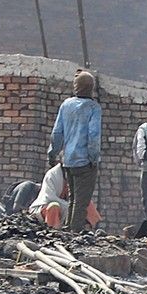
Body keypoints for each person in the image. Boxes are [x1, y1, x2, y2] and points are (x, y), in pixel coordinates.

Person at [46, 70, 102, 233]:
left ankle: (68, 229)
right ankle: (74, 233)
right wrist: (93, 158)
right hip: (85, 161)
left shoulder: (66, 105)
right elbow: (93, 136)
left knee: (72, 199)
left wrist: (53, 153)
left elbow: (57, 133)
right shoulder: (93, 108)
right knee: (81, 201)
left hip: (68, 161)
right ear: (91, 88)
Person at [28, 165, 100, 231]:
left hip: (66, 209)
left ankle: (88, 229)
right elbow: (50, 197)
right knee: (54, 206)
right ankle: (53, 231)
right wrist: (69, 207)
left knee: (87, 202)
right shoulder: (52, 175)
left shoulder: (76, 176)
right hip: (46, 208)